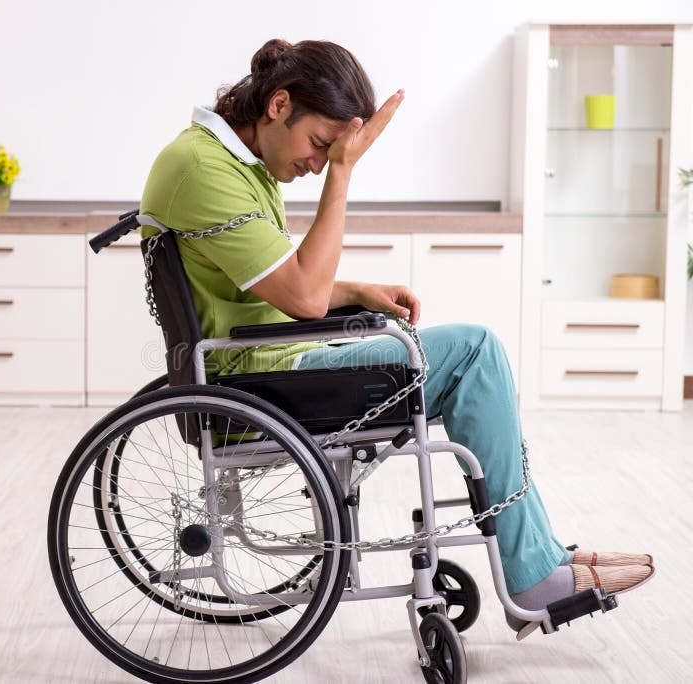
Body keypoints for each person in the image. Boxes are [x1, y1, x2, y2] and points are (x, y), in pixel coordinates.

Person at [139, 38, 654, 629]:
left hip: (269, 367)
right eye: (319, 144)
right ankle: (533, 572)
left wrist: (356, 290)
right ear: (279, 104)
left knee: (470, 361)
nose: (315, 162)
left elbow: (278, 283)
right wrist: (343, 172)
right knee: (475, 351)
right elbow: (303, 295)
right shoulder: (205, 169)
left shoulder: (224, 161)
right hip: (264, 384)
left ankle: (540, 555)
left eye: (328, 152)